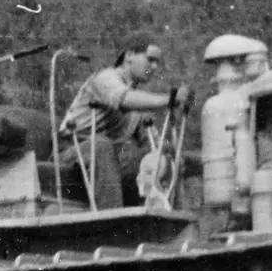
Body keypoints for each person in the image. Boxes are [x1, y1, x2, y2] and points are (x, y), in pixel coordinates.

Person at [59, 33, 190, 209]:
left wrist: (171, 155)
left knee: (164, 154)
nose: (154, 67)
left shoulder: (138, 104)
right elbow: (124, 99)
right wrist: (170, 100)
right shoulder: (106, 79)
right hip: (71, 151)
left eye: (157, 62)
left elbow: (153, 144)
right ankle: (112, 226)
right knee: (102, 145)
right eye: (150, 60)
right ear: (128, 55)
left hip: (106, 162)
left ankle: (173, 220)